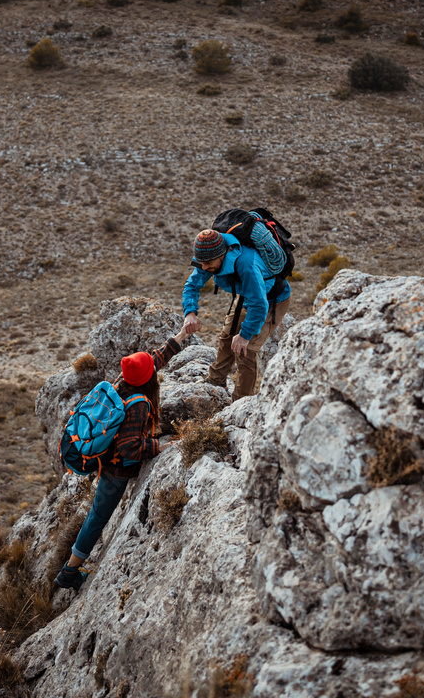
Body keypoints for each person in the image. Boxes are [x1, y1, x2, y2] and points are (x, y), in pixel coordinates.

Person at [54, 321, 193, 590]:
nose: (155, 368)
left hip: (109, 458)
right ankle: (69, 572)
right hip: (116, 470)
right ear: (149, 380)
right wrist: (161, 447)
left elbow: (154, 360)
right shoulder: (139, 404)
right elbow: (129, 448)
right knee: (97, 519)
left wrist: (182, 335)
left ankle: (70, 568)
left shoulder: (125, 379)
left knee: (96, 515)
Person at [182, 228, 291, 401]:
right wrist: (190, 312)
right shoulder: (206, 257)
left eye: (208, 264)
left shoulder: (246, 265)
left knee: (245, 350)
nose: (203, 268)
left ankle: (240, 403)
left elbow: (259, 304)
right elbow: (192, 284)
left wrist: (245, 335)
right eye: (200, 262)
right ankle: (216, 381)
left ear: (222, 255)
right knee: (227, 336)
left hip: (272, 301)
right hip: (247, 296)